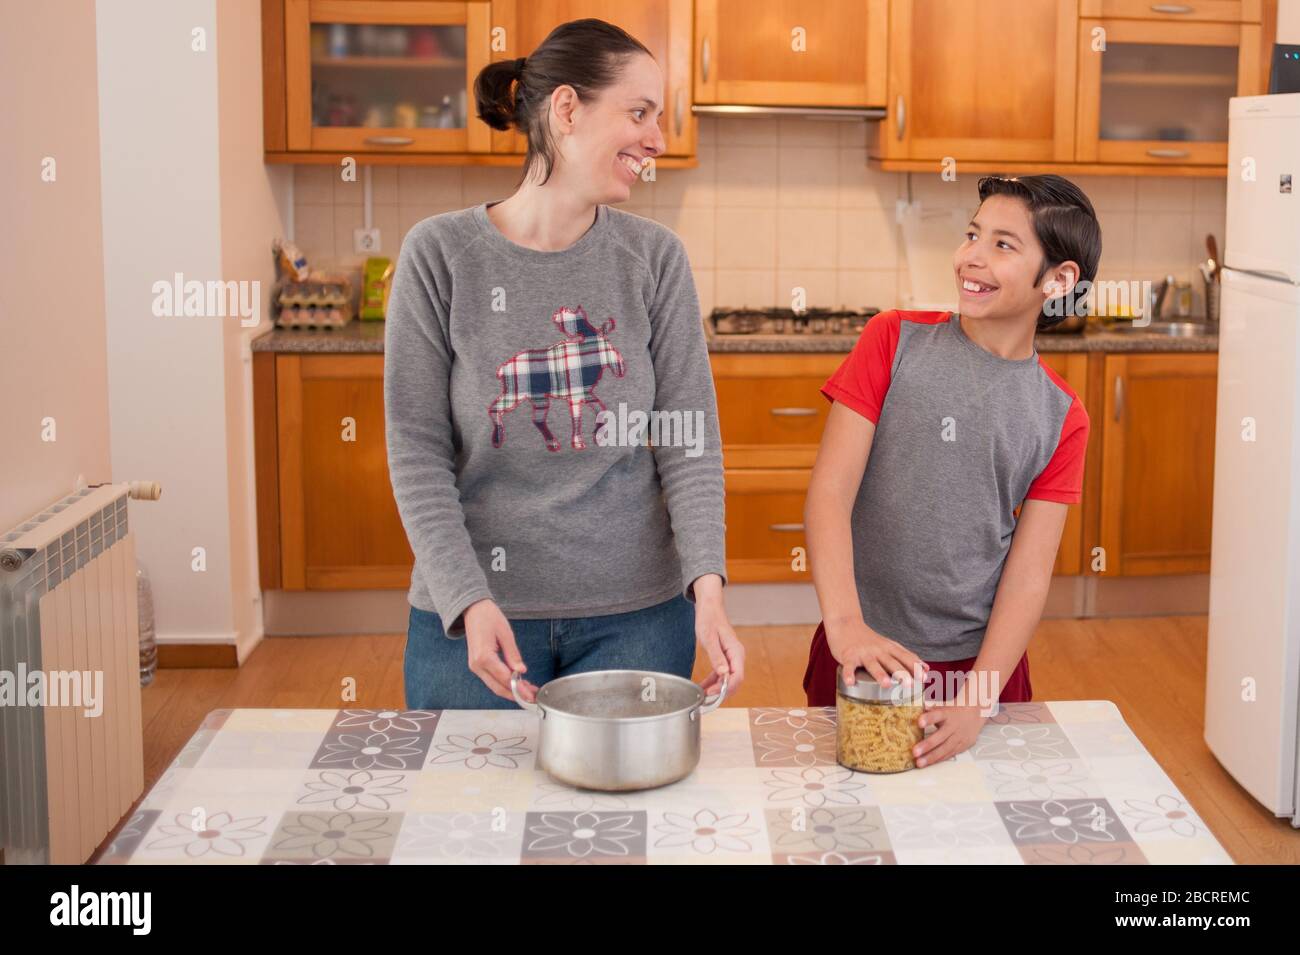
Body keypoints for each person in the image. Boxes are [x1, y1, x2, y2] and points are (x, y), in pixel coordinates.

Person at [384, 19, 744, 709]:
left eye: (659, 118)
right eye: (638, 113)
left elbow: (688, 444)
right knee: (460, 813)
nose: (658, 141)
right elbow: (417, 450)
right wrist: (467, 599)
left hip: (636, 619)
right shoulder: (438, 255)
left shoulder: (655, 259)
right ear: (567, 109)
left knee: (630, 816)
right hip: (473, 618)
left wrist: (707, 589)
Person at [802, 175, 1099, 766]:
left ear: (1060, 280)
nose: (972, 257)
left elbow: (1029, 575)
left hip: (978, 673)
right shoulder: (893, 341)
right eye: (972, 234)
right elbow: (829, 495)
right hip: (864, 648)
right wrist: (846, 625)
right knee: (847, 825)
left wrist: (978, 697)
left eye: (1003, 245)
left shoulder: (1063, 416)